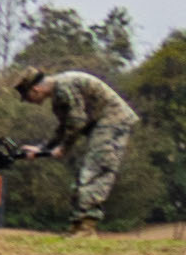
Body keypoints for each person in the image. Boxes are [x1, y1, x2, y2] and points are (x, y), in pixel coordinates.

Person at [14, 65, 140, 236]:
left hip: (113, 121)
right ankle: (78, 226)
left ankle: (87, 228)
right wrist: (43, 148)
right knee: (88, 171)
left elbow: (77, 122)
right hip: (101, 124)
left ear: (35, 89)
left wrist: (64, 148)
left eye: (27, 97)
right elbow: (64, 127)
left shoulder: (64, 87)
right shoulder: (58, 95)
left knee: (97, 170)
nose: (30, 102)